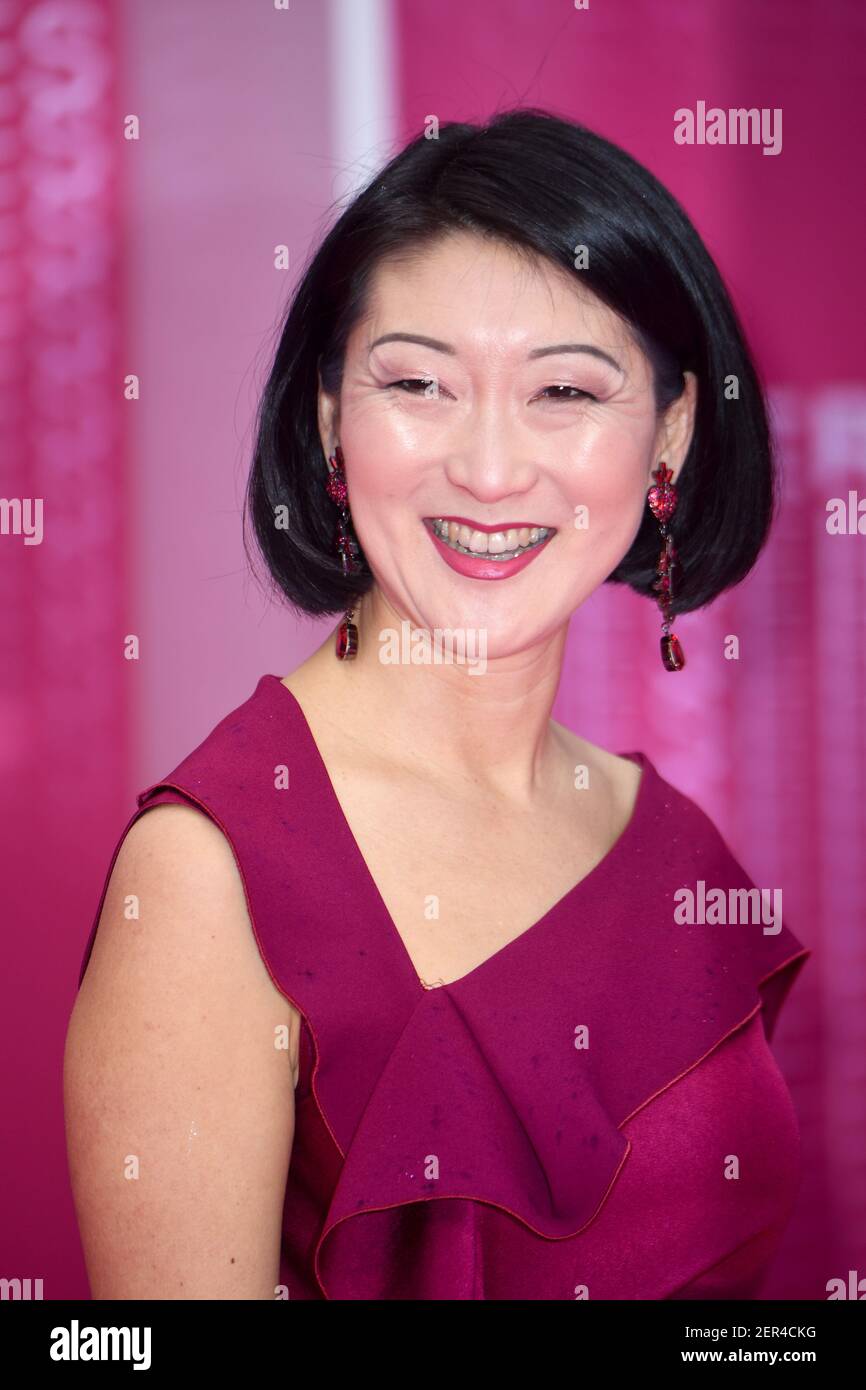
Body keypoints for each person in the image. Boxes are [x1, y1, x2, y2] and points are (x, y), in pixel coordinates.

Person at [64, 108, 810, 1301]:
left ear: (667, 433)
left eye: (564, 391)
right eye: (418, 383)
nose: (490, 469)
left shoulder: (672, 844)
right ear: (328, 422)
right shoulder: (212, 876)